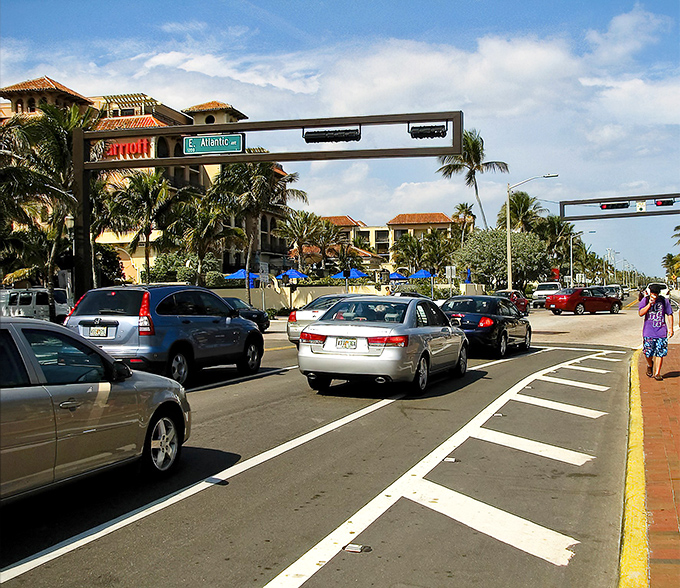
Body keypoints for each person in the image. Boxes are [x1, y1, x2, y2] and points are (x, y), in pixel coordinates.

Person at [639, 283, 674, 380]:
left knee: (660, 353)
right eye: (652, 293)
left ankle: (657, 373)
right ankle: (650, 365)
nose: (654, 295)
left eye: (656, 293)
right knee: (647, 353)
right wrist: (649, 304)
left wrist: (671, 328)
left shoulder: (664, 301)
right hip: (648, 332)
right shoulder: (645, 300)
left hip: (661, 331)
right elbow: (641, 313)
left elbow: (670, 314)